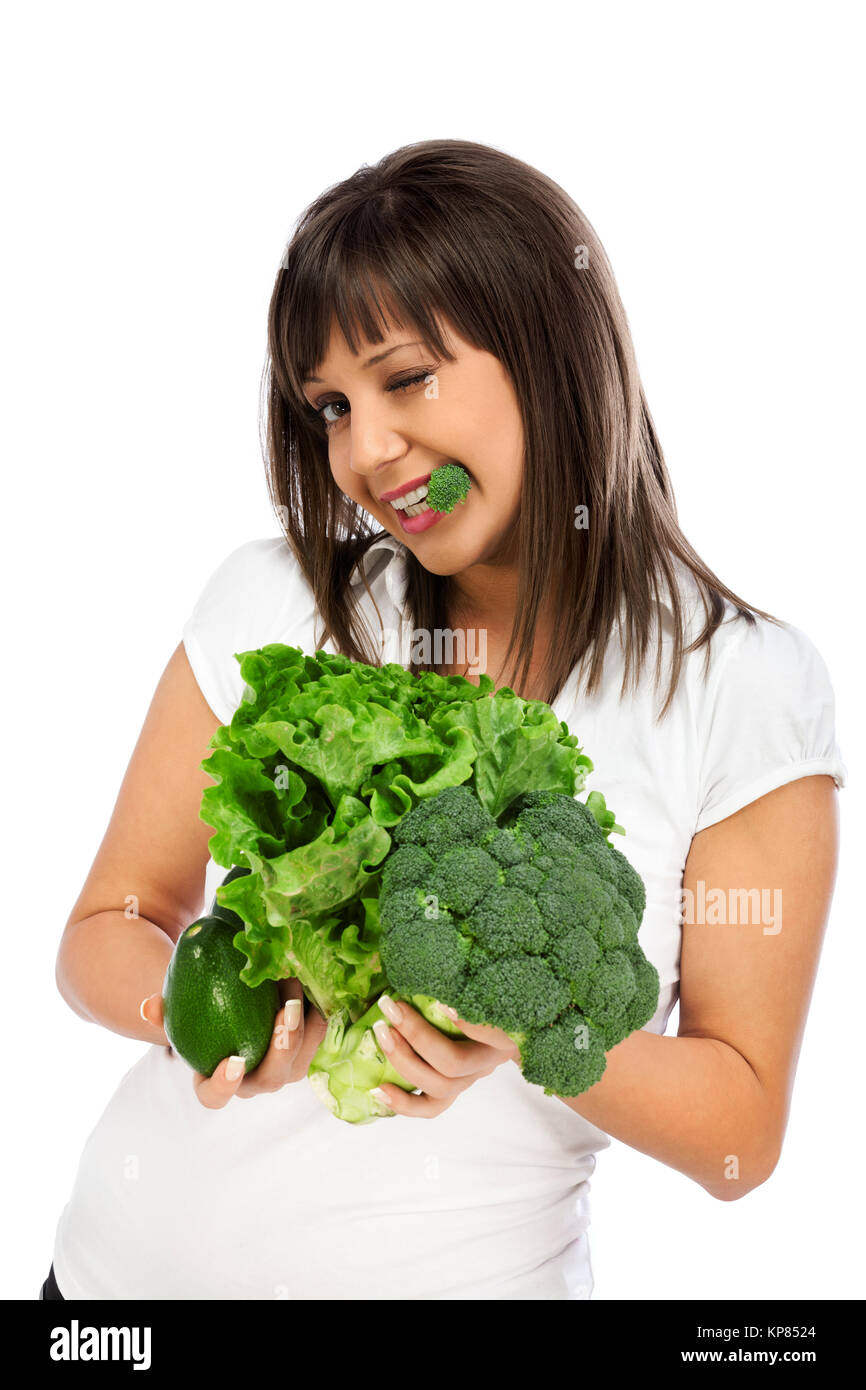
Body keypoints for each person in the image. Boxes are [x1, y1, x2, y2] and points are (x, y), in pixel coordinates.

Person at [45, 139, 846, 1301]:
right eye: (329, 405)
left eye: (406, 378)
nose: (365, 452)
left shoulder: (739, 687)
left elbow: (741, 1129)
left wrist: (527, 1028)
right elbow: (106, 926)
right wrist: (195, 1018)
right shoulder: (277, 602)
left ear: (548, 349)